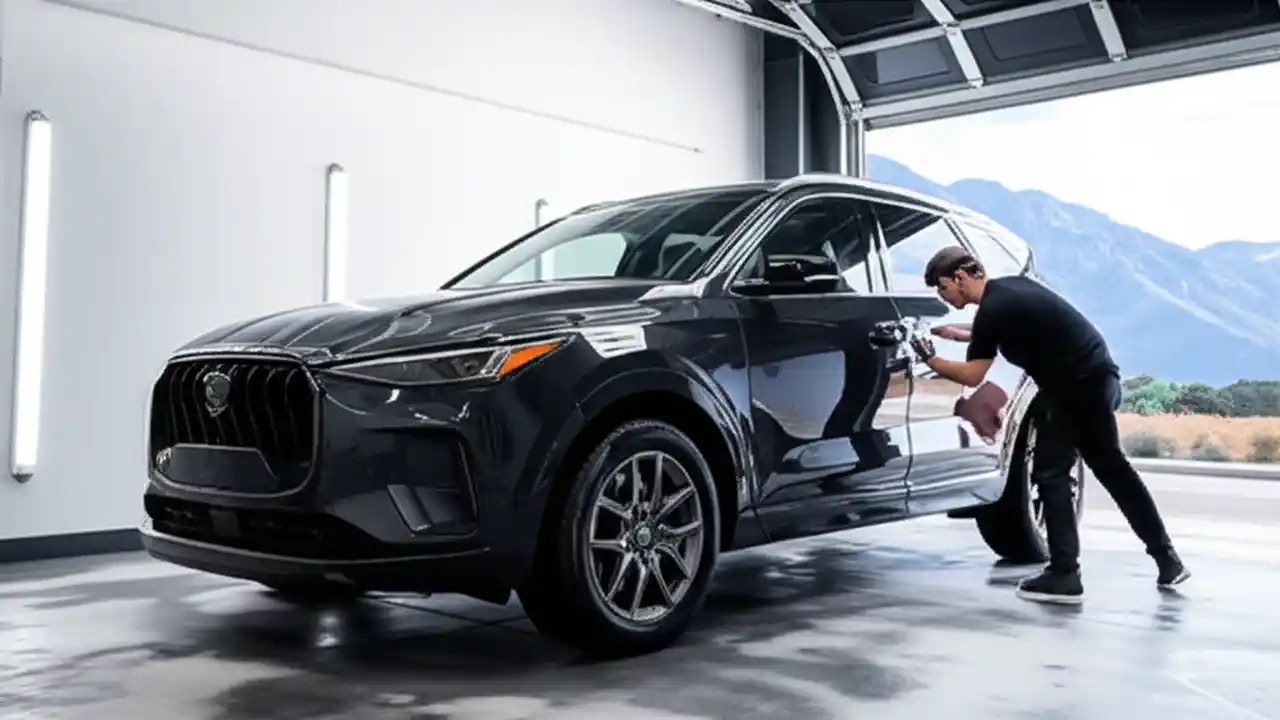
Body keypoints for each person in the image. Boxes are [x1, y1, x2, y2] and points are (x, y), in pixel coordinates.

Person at [911, 245, 1190, 604]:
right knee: (1114, 471)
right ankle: (1168, 561)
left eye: (942, 287)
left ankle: (1064, 575)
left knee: (1052, 474)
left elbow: (972, 374)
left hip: (1073, 388)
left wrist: (929, 358)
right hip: (1098, 378)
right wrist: (962, 334)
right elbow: (1015, 328)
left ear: (960, 278)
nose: (942, 295)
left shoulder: (993, 312)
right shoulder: (1011, 290)